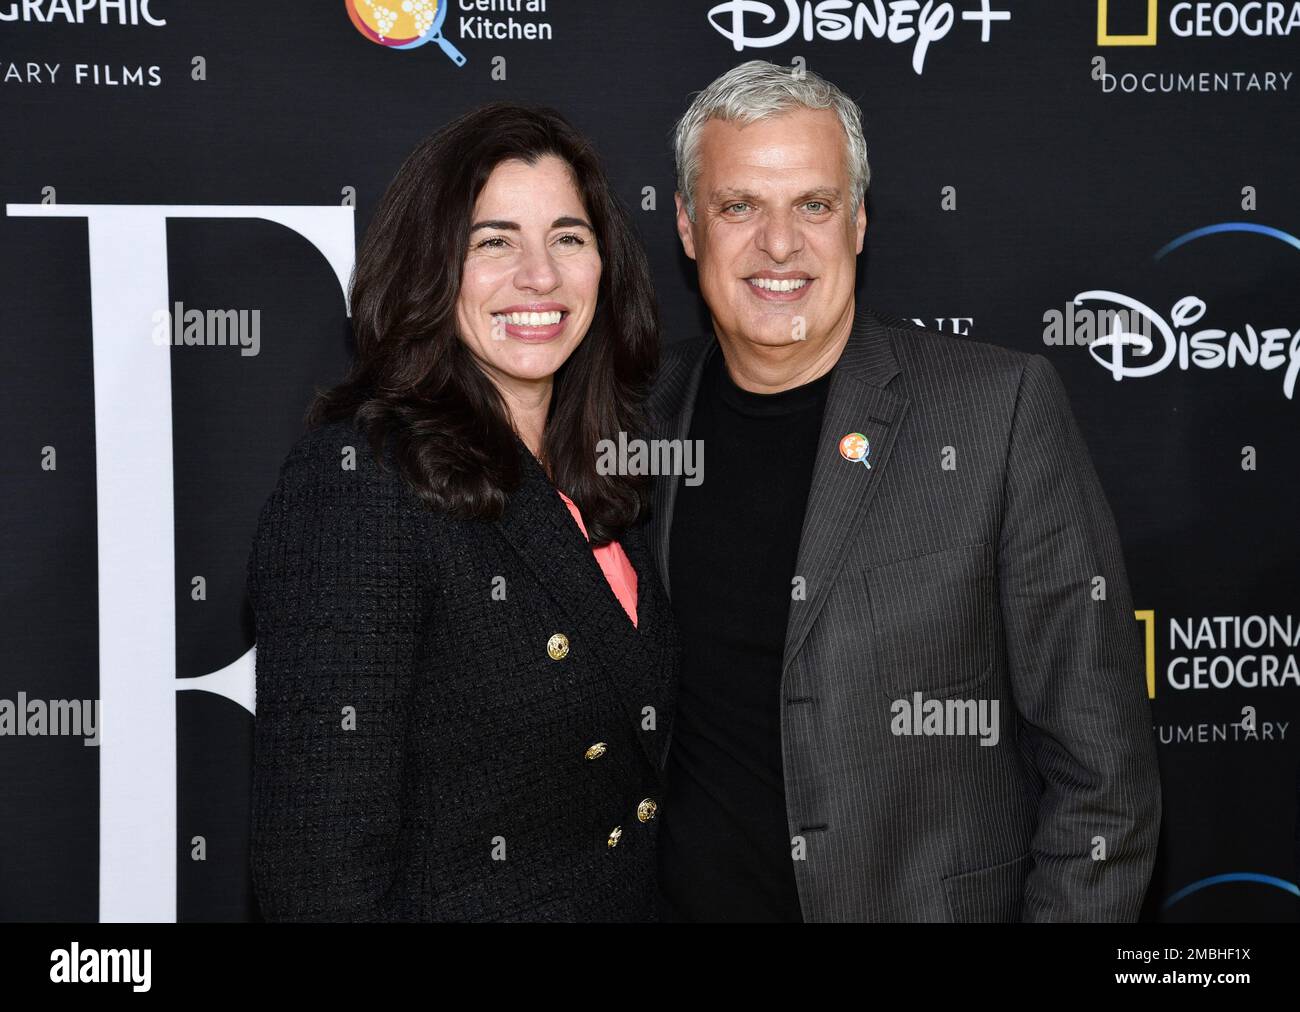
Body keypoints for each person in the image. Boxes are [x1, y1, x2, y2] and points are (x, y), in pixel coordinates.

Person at [649, 60, 1162, 922]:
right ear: (689, 226)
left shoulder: (998, 411)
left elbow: (1103, 777)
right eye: (740, 206)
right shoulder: (638, 418)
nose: (780, 244)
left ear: (856, 221)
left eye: (813, 204)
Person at [246, 102, 678, 922]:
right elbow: (316, 876)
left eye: (568, 238)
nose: (539, 276)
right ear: (429, 266)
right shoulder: (360, 482)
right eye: (494, 241)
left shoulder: (612, 471)